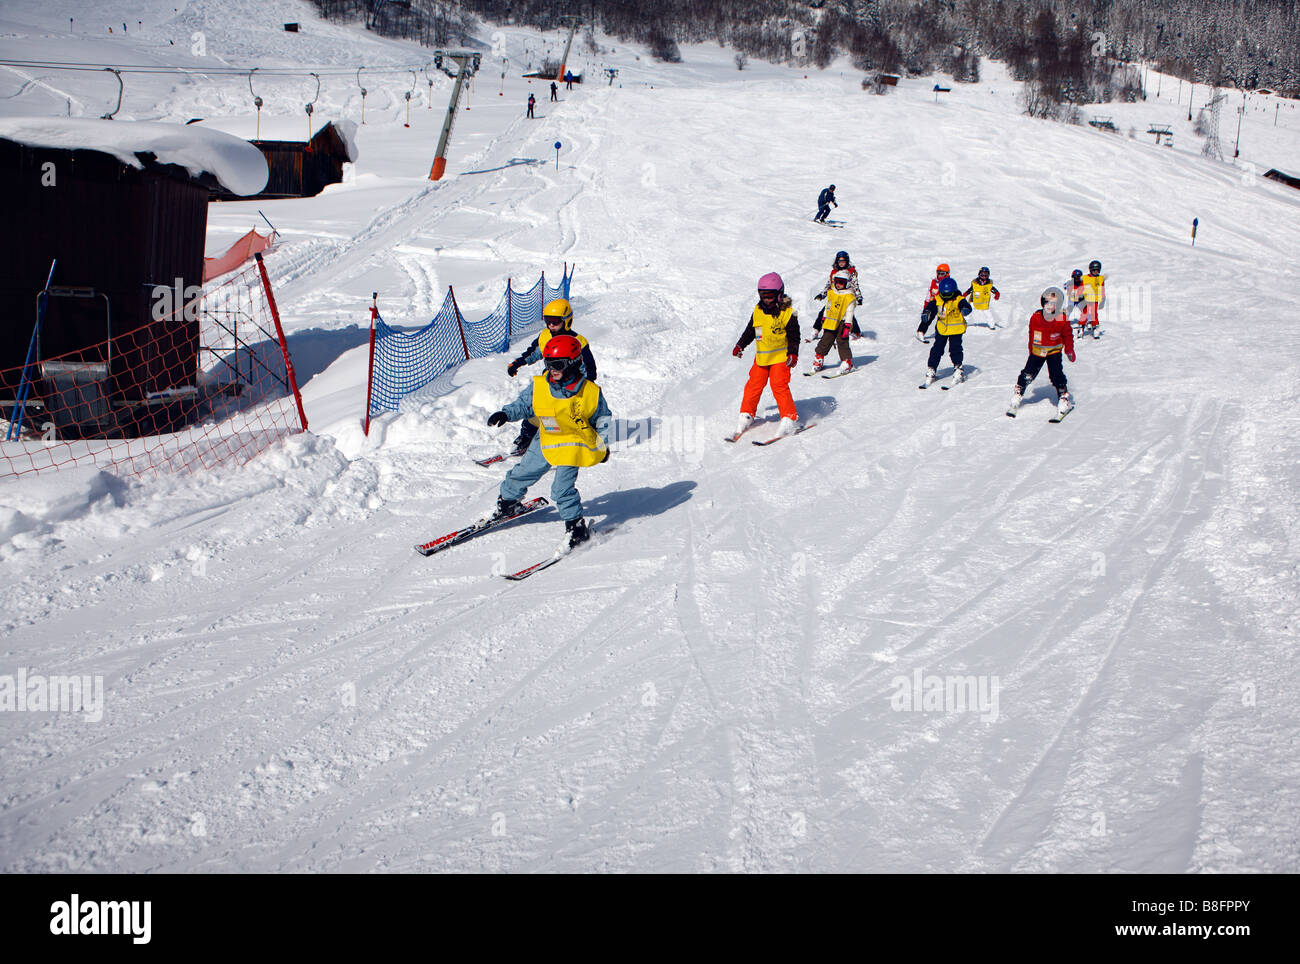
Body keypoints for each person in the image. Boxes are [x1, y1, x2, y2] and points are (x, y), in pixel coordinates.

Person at [484, 333, 611, 550]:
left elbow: (603, 419)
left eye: (558, 364)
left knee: (561, 489)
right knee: (523, 472)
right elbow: (525, 405)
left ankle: (576, 527)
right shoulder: (541, 385)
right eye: (548, 363)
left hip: (573, 444)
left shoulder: (589, 392)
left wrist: (602, 446)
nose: (552, 369)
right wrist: (505, 414)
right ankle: (507, 503)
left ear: (572, 363)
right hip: (547, 437)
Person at [505, 298, 597, 456]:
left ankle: (582, 435)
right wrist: (517, 363)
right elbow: (533, 353)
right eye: (548, 321)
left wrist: (583, 385)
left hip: (571, 385)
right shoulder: (545, 336)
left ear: (567, 321)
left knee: (571, 413)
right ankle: (527, 436)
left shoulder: (579, 342)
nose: (551, 326)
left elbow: (590, 369)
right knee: (538, 408)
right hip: (550, 381)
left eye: (555, 321)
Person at [732, 272, 801, 438]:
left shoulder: (788, 313)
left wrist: (793, 353)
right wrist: (740, 345)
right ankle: (746, 415)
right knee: (753, 384)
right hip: (762, 357)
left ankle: (789, 418)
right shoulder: (758, 310)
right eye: (763, 295)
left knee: (778, 385)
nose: (766, 299)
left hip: (780, 357)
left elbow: (794, 335)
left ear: (779, 294)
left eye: (770, 296)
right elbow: (751, 330)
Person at [1007, 287, 1075, 417]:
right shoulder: (1036, 317)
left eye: (1053, 304)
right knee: (1028, 373)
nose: (1049, 306)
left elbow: (1067, 334)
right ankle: (1018, 392)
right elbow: (1031, 334)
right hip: (1037, 351)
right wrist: (1030, 350)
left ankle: (1063, 396)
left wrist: (1069, 349)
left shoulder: (1061, 317)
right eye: (1047, 303)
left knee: (1056, 374)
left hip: (1054, 351)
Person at [922, 277, 972, 386]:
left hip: (956, 329)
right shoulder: (938, 299)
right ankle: (932, 369)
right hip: (942, 329)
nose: (945, 298)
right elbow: (931, 307)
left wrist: (965, 309)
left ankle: (958, 367)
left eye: (948, 295)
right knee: (937, 349)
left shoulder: (958, 299)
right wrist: (927, 312)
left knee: (955, 349)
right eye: (944, 295)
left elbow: (966, 305)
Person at [811, 271, 856, 373]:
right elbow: (828, 307)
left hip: (843, 322)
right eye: (837, 281)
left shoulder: (849, 296)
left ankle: (847, 362)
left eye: (841, 282)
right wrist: (824, 317)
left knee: (842, 341)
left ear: (847, 283)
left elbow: (850, 312)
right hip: (831, 321)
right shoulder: (832, 292)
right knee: (826, 339)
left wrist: (847, 325)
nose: (838, 284)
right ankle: (819, 358)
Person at [812, 250, 863, 338]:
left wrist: (859, 297)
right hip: (834, 296)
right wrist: (822, 294)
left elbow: (855, 286)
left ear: (847, 261)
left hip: (846, 296)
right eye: (840, 261)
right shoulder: (834, 273)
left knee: (849, 314)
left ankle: (856, 332)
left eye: (843, 261)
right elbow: (829, 284)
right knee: (824, 312)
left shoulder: (850, 272)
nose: (841, 263)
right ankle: (816, 330)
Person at [915, 263, 951, 341]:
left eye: (942, 274)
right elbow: (929, 294)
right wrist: (926, 305)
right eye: (938, 273)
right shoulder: (934, 282)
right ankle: (921, 331)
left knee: (942, 318)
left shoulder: (949, 283)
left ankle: (939, 332)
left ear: (947, 274)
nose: (940, 275)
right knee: (928, 316)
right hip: (933, 303)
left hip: (943, 303)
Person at [1079, 259, 1105, 338]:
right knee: (1085, 312)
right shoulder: (1085, 278)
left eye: (1097, 270)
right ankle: (1081, 327)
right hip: (1086, 299)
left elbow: (1102, 288)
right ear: (1090, 270)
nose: (1096, 272)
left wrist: (1103, 298)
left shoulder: (1100, 278)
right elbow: (1081, 287)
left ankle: (1095, 327)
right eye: (1094, 271)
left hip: (1095, 299)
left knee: (1094, 314)